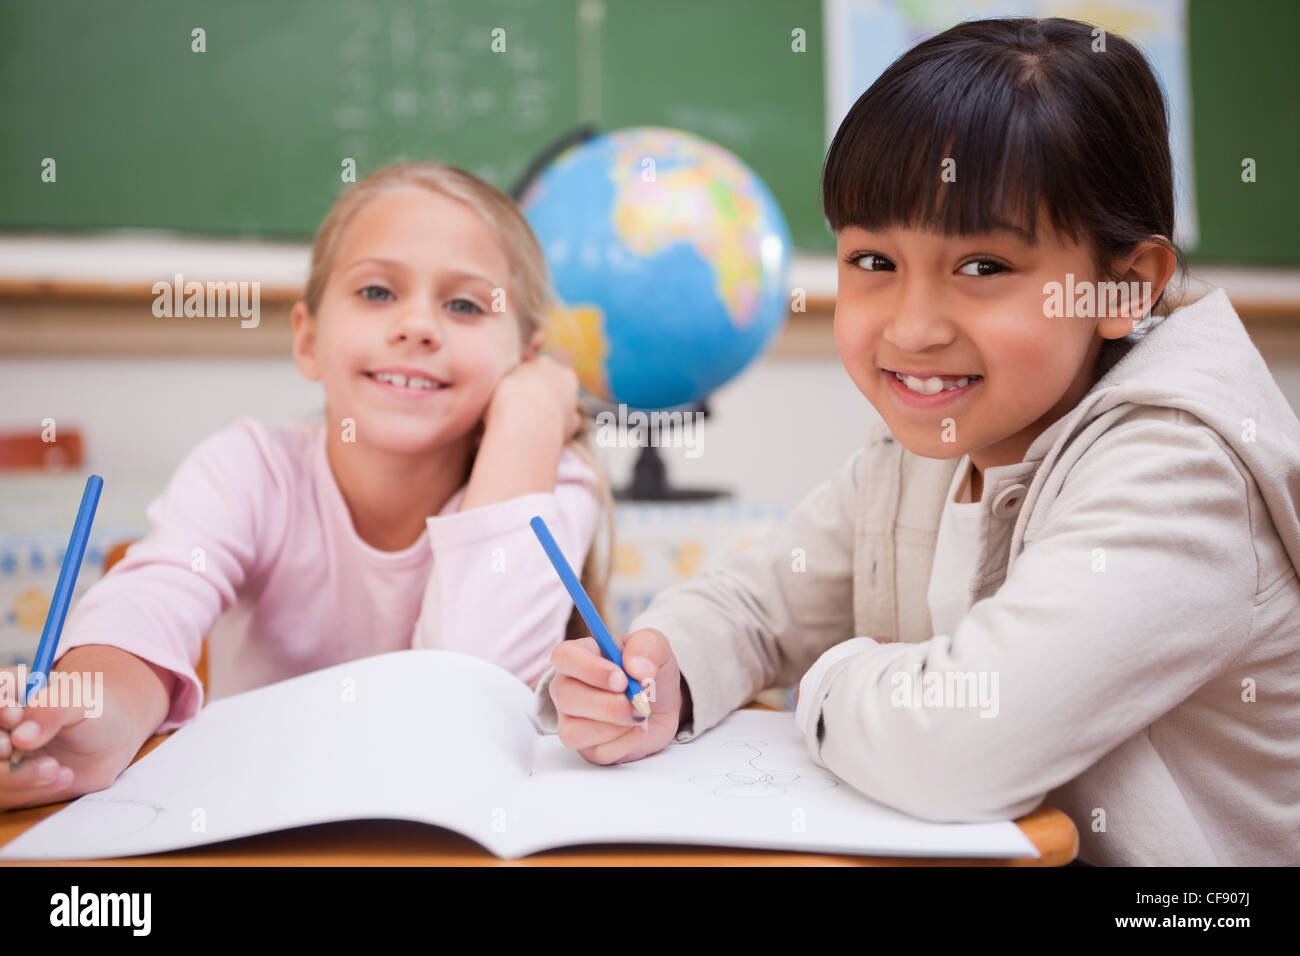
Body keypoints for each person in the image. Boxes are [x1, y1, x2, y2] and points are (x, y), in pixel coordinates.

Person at [535, 17, 1300, 866]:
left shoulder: (1181, 473)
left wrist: (826, 677)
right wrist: (662, 670)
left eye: (982, 268)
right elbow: (758, 603)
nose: (915, 326)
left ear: (1123, 288)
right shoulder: (929, 445)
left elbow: (961, 746)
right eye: (873, 262)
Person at [1, 162, 607, 811]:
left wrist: (527, 423)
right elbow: (149, 606)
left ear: (526, 359)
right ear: (309, 339)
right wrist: (95, 713)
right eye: (377, 292)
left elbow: (460, 696)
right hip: (253, 828)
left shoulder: (545, 480)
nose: (418, 326)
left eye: (464, 304)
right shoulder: (249, 472)